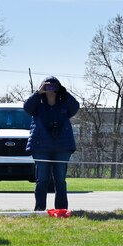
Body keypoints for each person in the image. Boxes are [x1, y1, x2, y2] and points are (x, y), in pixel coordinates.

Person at [24, 76, 81, 212]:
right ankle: (39, 209)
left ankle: (61, 210)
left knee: (60, 180)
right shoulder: (37, 103)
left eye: (53, 86)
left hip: (62, 147)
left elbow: (75, 107)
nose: (50, 89)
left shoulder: (64, 103)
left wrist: (64, 92)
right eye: (47, 86)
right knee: (42, 180)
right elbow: (27, 107)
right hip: (41, 146)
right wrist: (38, 92)